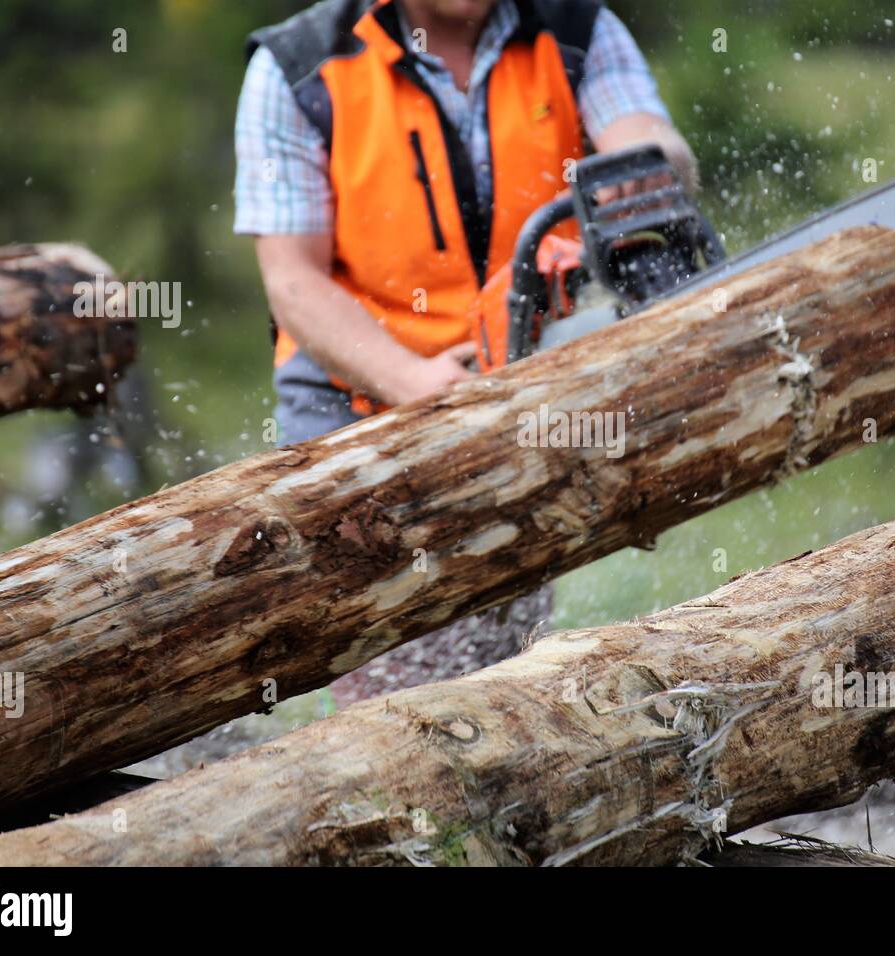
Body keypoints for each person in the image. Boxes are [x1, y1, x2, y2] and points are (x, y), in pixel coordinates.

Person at [234, 0, 697, 702]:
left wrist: (647, 167)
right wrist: (418, 383)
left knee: (500, 670)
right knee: (402, 689)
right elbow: (292, 281)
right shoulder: (299, 68)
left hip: (521, 381)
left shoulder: (572, 29)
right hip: (356, 402)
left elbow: (646, 134)